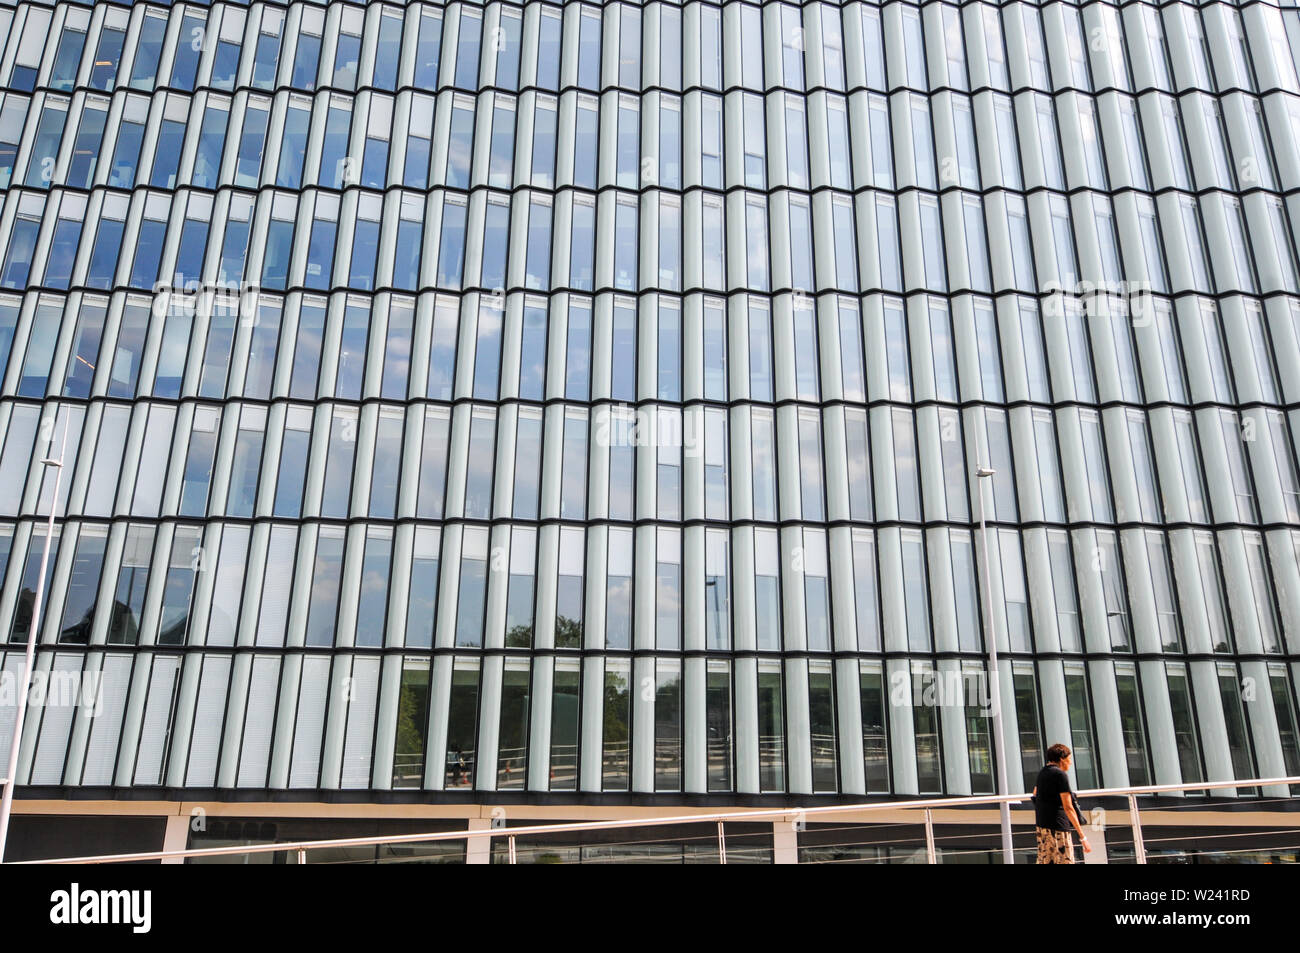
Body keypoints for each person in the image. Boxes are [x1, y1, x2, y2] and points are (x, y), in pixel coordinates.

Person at [1031, 743, 1091, 864]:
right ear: (1062, 759)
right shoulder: (1060, 775)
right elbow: (1068, 807)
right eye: (1069, 759)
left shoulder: (1043, 772)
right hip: (1059, 828)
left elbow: (1035, 794)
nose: (1070, 762)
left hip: (1043, 827)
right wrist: (1083, 837)